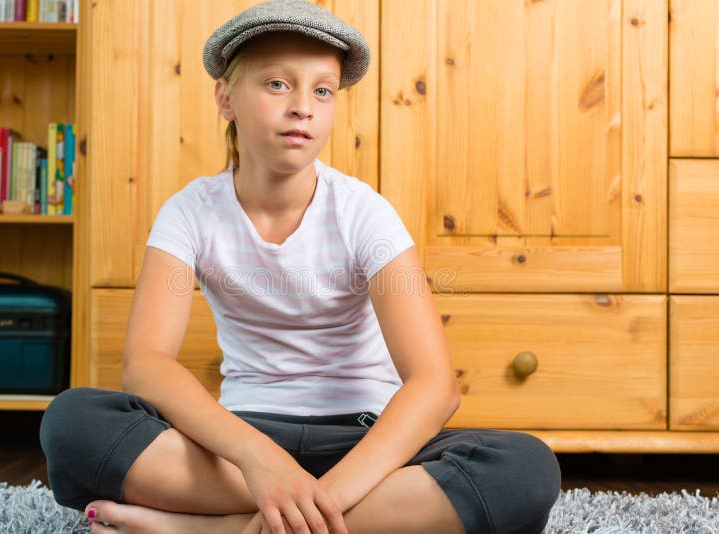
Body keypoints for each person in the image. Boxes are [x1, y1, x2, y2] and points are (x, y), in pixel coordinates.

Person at [39, 1, 562, 532]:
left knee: (524, 470)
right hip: (242, 444)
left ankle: (210, 529)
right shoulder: (189, 213)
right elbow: (148, 364)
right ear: (226, 98)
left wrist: (321, 494)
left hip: (362, 445)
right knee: (73, 423)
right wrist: (259, 459)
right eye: (276, 85)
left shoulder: (365, 213)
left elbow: (433, 385)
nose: (302, 107)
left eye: (322, 90)